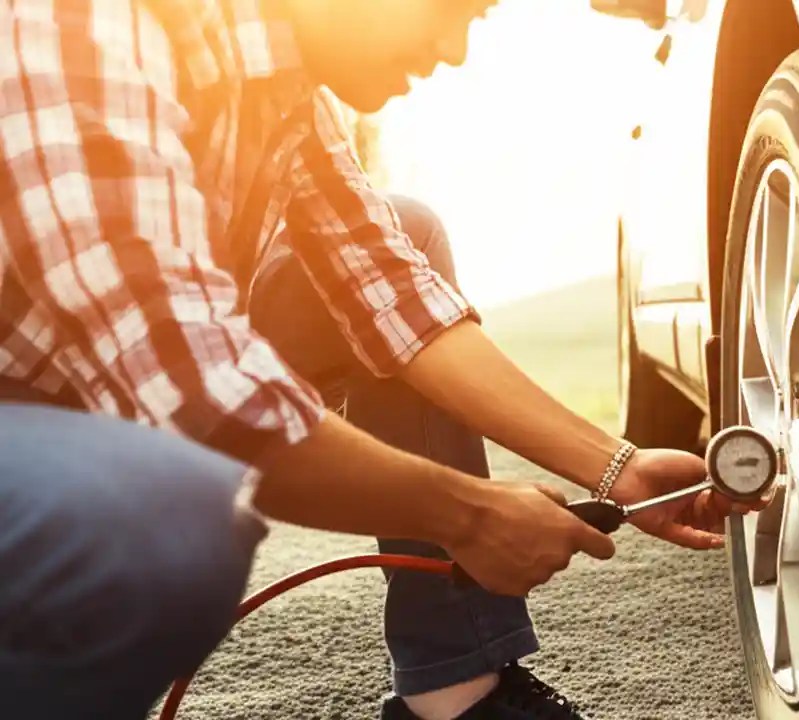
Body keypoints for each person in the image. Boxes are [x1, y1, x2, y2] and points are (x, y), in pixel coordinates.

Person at [0, 1, 749, 718]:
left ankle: (458, 699)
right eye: (454, 8)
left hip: (99, 390)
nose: (454, 51)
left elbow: (397, 302)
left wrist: (618, 469)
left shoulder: (287, 94)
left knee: (408, 231)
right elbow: (194, 390)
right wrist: (467, 515)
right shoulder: (94, 19)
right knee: (156, 517)